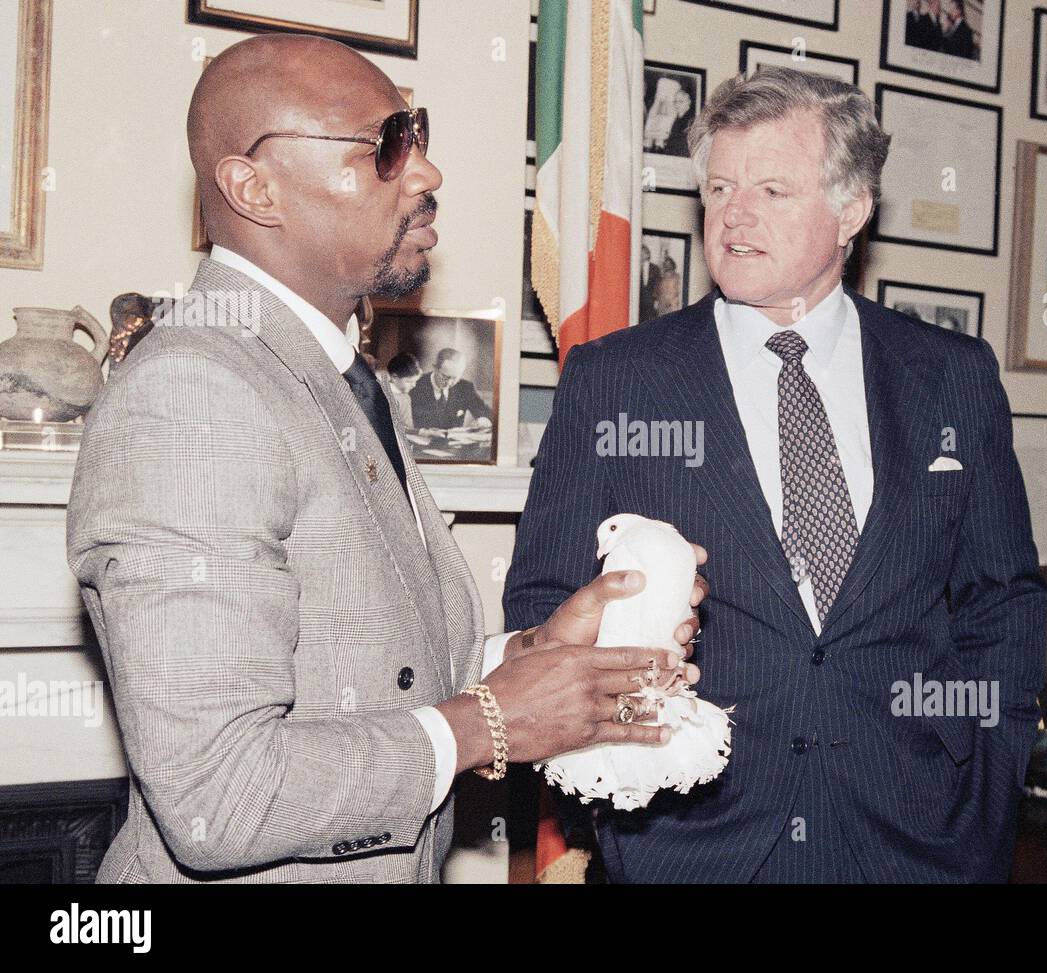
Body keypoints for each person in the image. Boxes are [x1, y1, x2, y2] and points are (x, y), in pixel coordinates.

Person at [66, 33, 707, 884]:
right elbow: (216, 796)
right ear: (255, 188)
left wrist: (534, 656)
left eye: (419, 132)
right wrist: (491, 720)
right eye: (386, 146)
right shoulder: (194, 390)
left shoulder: (329, 371)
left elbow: (366, 667)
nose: (428, 171)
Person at [505, 67, 1047, 883]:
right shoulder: (617, 379)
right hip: (693, 844)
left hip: (921, 839)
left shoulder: (950, 376)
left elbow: (1001, 601)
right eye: (720, 186)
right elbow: (543, 602)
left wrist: (991, 774)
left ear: (852, 210)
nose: (735, 215)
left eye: (771, 189)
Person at [409, 347, 492, 431]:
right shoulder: (414, 385)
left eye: (455, 378)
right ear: (435, 368)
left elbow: (488, 414)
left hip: (454, 442)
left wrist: (484, 420)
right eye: (445, 377)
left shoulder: (465, 388)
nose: (449, 383)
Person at [381, 350, 421, 431]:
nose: (414, 385)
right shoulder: (382, 394)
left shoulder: (406, 398)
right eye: (409, 381)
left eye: (415, 381)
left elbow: (408, 426)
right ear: (395, 377)